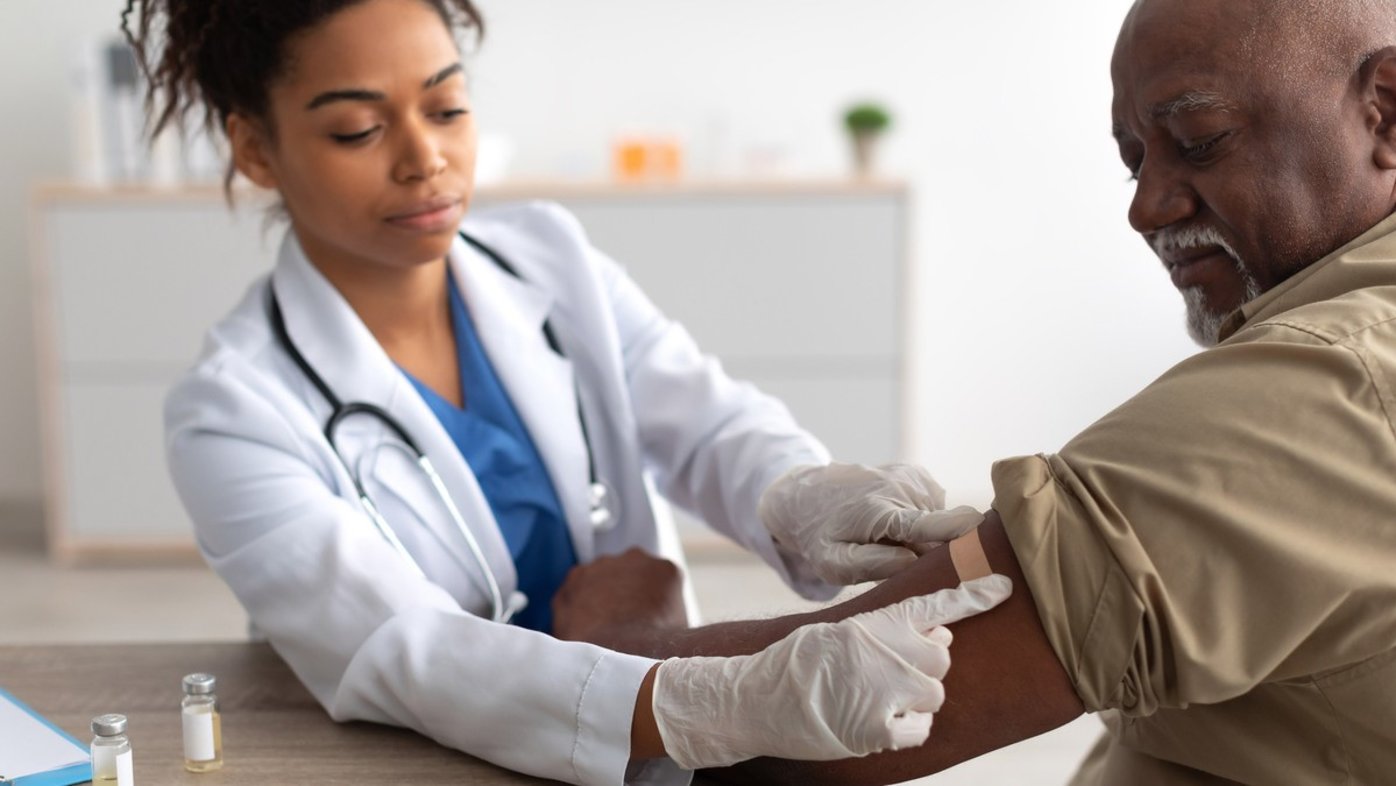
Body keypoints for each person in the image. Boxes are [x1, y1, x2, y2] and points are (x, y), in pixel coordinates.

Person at [127, 0, 1014, 783]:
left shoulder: (547, 257)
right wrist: (719, 702)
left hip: (647, 695)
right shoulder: (231, 415)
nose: (426, 158)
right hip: (439, 754)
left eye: (447, 107)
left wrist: (801, 496)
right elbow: (401, 651)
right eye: (359, 129)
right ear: (255, 148)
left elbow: (700, 420)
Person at [554, 0, 1396, 783]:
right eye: (1133, 158)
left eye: (1200, 138)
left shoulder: (1328, 380)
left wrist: (609, 644)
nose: (1146, 206)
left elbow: (823, 726)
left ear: (1385, 111)